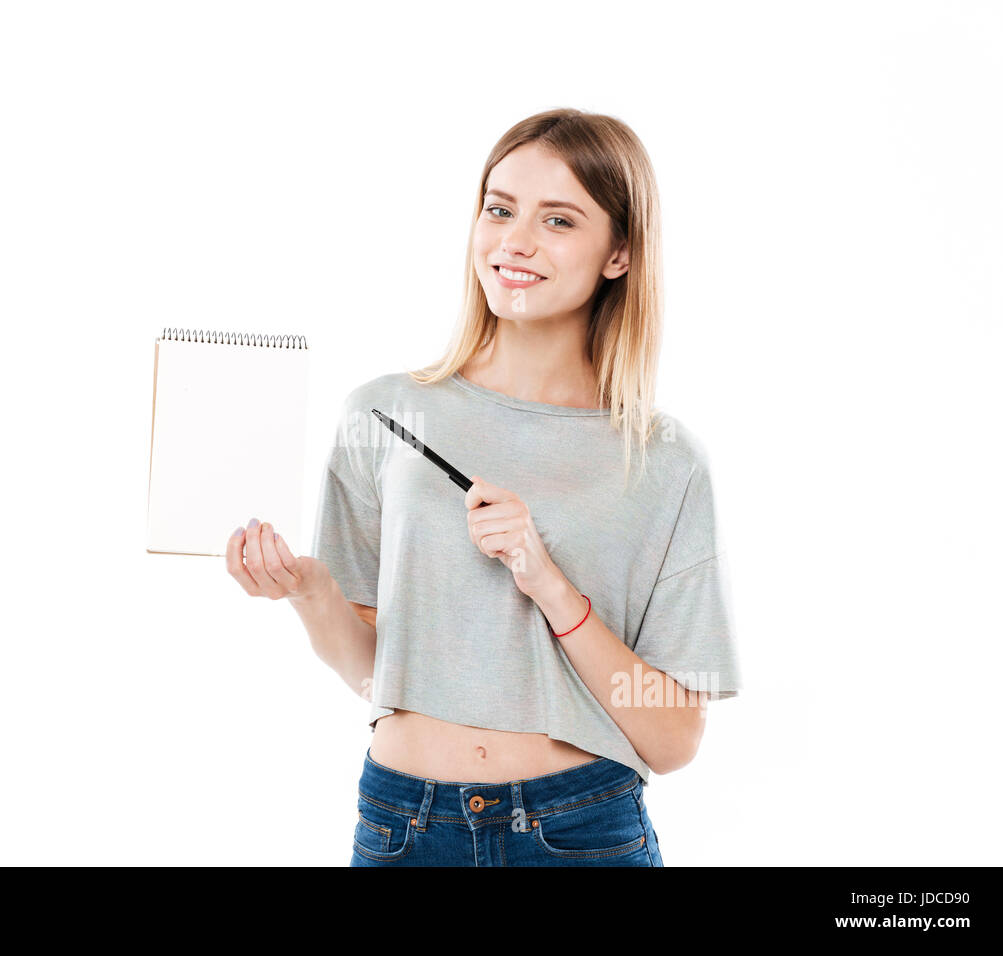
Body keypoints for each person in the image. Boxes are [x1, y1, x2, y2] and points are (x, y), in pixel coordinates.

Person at [225, 108, 742, 866]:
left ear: (620, 254)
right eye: (499, 209)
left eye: (559, 220)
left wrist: (553, 587)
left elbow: (672, 740)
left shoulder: (665, 461)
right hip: (404, 826)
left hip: (580, 832)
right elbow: (374, 671)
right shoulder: (384, 414)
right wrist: (309, 592)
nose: (515, 242)